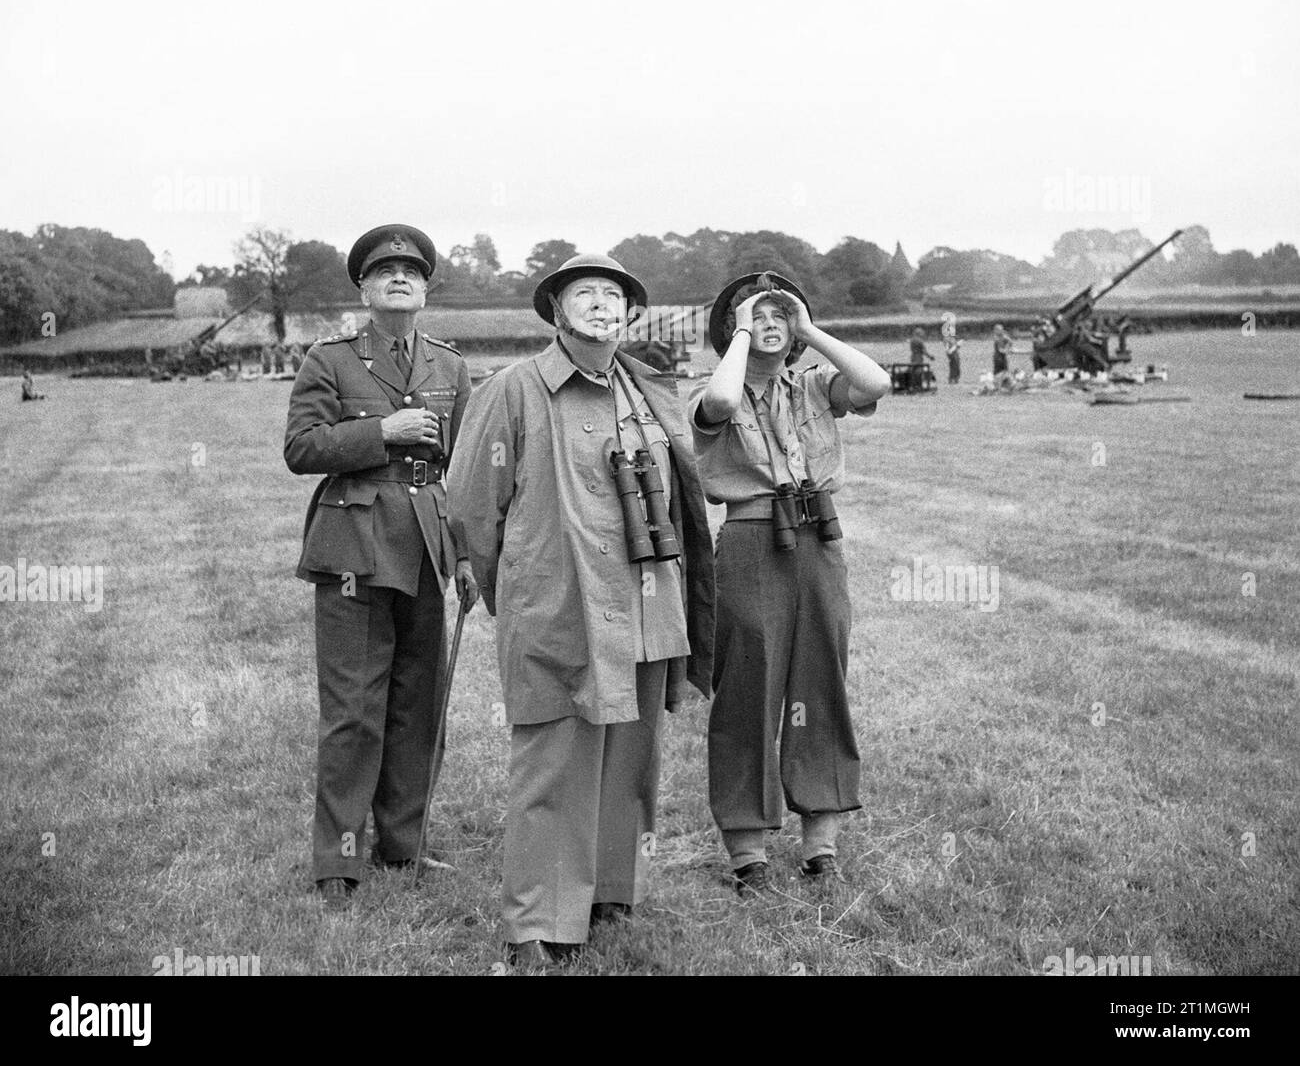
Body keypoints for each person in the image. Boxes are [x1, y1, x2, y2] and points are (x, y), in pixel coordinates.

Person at [448, 253, 715, 970]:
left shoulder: (648, 390)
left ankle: (610, 891)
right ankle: (537, 920)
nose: (601, 304)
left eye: (613, 294)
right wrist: (523, 594)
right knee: (554, 757)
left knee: (629, 752)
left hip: (646, 604)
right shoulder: (512, 390)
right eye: (584, 294)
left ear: (628, 313)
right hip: (558, 605)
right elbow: (473, 507)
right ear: (555, 310)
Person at [284, 224, 478, 910]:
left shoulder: (450, 365)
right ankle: (338, 857)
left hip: (427, 544)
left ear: (425, 289)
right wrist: (381, 433)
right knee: (354, 709)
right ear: (364, 288)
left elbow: (467, 466)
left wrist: (468, 552)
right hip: (354, 547)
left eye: (411, 272)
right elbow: (302, 448)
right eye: (384, 270)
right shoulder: (329, 359)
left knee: (420, 703)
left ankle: (404, 843)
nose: (399, 278)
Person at [691, 272, 890, 894]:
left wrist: (808, 328)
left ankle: (820, 840)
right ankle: (746, 843)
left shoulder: (811, 387)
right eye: (755, 314)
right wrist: (745, 332)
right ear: (731, 330)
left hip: (818, 543)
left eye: (782, 313)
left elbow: (876, 381)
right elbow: (722, 406)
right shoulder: (714, 389)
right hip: (751, 541)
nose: (770, 321)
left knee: (820, 679)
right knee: (748, 683)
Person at [908, 326, 934, 392]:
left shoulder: (912, 340)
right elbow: (924, 351)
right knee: (919, 372)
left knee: (913, 373)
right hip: (919, 359)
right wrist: (930, 357)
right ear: (919, 333)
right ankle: (919, 387)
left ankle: (912, 386)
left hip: (913, 358)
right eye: (922, 333)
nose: (923, 334)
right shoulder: (920, 341)